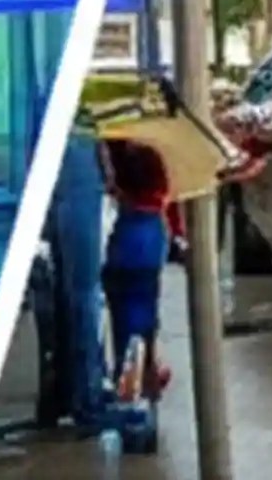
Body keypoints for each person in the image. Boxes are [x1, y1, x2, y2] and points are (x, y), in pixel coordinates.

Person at [98, 139, 181, 398]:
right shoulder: (153, 156)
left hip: (120, 240)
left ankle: (126, 368)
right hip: (147, 239)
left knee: (121, 314)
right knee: (144, 311)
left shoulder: (113, 154)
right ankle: (144, 373)